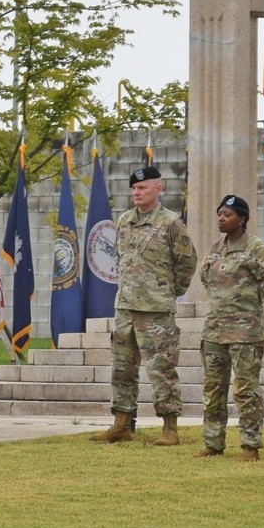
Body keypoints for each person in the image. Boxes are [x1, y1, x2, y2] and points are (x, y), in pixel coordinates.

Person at [93, 164, 196, 445]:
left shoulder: (171, 223)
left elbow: (187, 262)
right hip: (125, 306)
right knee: (122, 367)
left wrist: (169, 291)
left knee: (161, 369)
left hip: (156, 310)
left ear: (158, 189)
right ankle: (122, 424)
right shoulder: (125, 221)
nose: (136, 192)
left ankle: (170, 428)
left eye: (142, 188)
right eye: (134, 188)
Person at [197, 194, 264, 459]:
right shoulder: (217, 246)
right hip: (214, 329)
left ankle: (250, 445)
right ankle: (213, 443)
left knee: (245, 390)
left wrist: (250, 297)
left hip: (246, 332)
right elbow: (206, 276)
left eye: (227, 214)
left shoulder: (256, 248)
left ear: (243, 219)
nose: (221, 219)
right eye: (220, 214)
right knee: (213, 388)